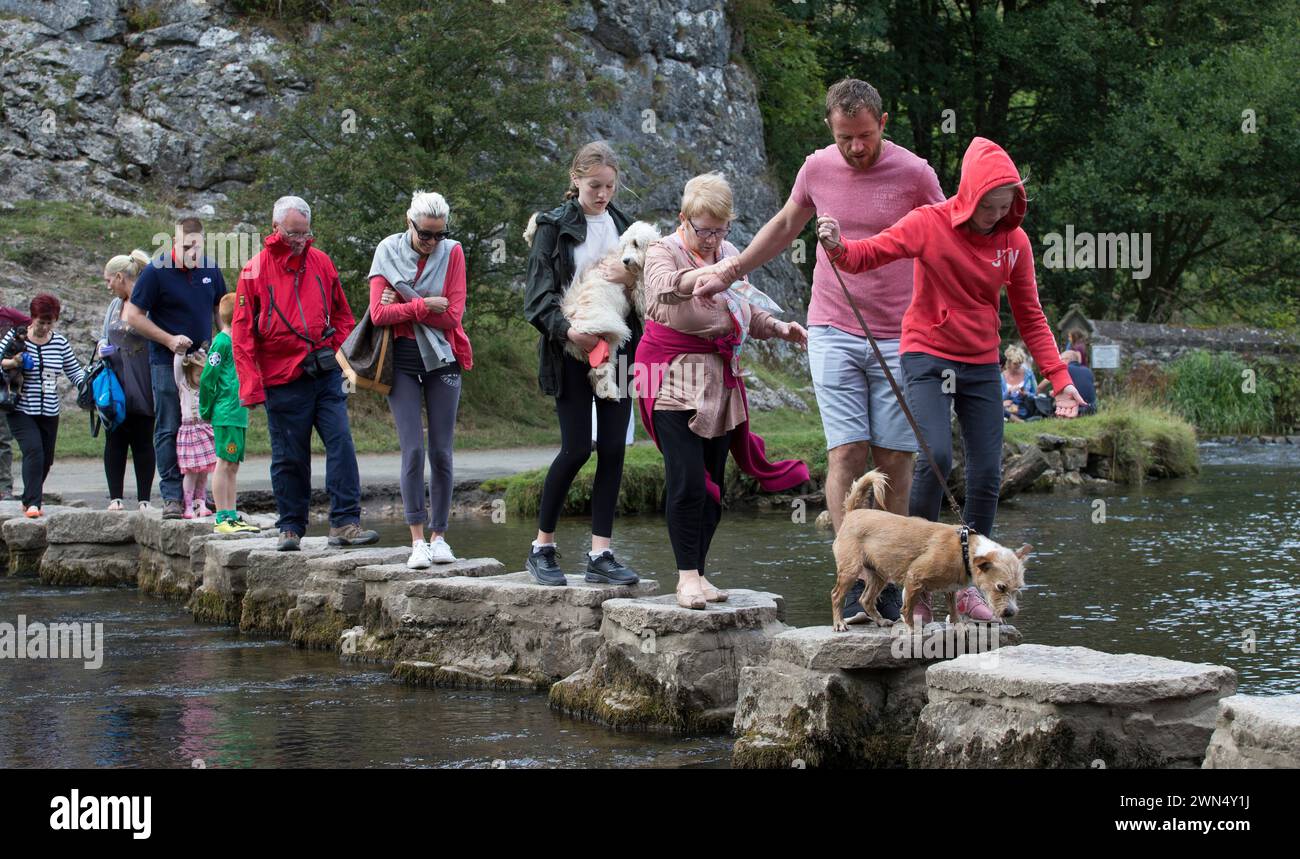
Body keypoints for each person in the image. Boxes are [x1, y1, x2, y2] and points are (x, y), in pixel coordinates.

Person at [698, 78, 945, 621]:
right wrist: (729, 271)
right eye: (843, 137)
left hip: (898, 333)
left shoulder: (915, 173)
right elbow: (787, 224)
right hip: (832, 326)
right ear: (831, 130)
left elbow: (947, 236)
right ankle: (853, 575)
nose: (854, 148)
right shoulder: (817, 168)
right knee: (845, 455)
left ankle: (894, 582)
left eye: (863, 136)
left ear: (882, 124)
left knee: (894, 461)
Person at [817, 137, 1089, 623]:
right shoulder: (930, 223)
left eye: (1006, 207)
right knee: (937, 457)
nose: (996, 215)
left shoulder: (1014, 242)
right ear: (968, 195)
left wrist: (1060, 378)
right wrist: (838, 246)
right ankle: (915, 585)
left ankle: (967, 585)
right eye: (988, 206)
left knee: (986, 473)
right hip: (927, 355)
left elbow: (1031, 316)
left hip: (981, 365)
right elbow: (869, 254)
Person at [637, 173, 810, 608]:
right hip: (667, 375)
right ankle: (685, 577)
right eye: (704, 229)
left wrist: (778, 328)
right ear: (684, 220)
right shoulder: (663, 250)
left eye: (721, 229)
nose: (713, 239)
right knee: (689, 480)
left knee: (715, 485)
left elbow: (743, 310)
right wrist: (700, 276)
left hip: (719, 378)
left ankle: (701, 572)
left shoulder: (730, 253)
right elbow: (659, 294)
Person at [522, 141, 642, 587]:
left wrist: (632, 277)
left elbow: (648, 285)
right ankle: (542, 548)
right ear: (575, 180)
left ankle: (600, 555)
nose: (603, 194)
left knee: (613, 450)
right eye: (595, 185)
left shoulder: (627, 227)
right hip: (569, 349)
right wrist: (569, 331)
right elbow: (536, 299)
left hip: (622, 351)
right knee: (577, 449)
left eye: (610, 186)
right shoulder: (553, 227)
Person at [231, 195, 378, 551]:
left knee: (341, 443)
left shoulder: (322, 263)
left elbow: (343, 315)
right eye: (293, 233)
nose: (299, 240)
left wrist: (342, 355)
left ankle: (345, 524)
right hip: (281, 381)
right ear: (275, 227)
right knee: (289, 456)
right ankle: (291, 528)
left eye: (305, 233)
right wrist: (251, 388)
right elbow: (242, 334)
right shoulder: (253, 271)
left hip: (325, 375)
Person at [368, 190, 474, 569]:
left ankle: (440, 536)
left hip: (444, 360)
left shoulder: (454, 253)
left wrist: (402, 305)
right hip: (402, 361)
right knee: (412, 450)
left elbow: (453, 317)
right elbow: (378, 316)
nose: (431, 243)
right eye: (425, 234)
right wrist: (424, 304)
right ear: (408, 222)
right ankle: (417, 541)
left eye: (438, 235)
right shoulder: (386, 250)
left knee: (441, 452)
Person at [123, 217, 226, 519]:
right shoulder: (156, 271)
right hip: (167, 361)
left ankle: (201, 498)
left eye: (197, 247)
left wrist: (224, 343)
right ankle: (172, 496)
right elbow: (133, 315)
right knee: (169, 425)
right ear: (173, 244)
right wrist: (168, 340)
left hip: (204, 361)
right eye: (186, 247)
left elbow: (220, 309)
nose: (192, 253)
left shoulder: (209, 268)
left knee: (205, 424)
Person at [0, 294, 86, 517]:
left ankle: (30, 496)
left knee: (46, 459)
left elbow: (74, 370)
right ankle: (33, 504)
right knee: (34, 451)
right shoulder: (16, 336)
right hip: (20, 407)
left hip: (49, 409)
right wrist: (15, 361)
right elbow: (0, 361)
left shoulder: (59, 342)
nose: (44, 327)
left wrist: (89, 385)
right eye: (41, 322)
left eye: (49, 323)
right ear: (32, 318)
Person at [101, 249, 157, 511]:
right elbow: (104, 335)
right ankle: (116, 497)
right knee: (115, 438)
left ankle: (144, 498)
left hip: (143, 378)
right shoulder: (114, 305)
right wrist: (103, 347)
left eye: (109, 280)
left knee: (143, 438)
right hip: (116, 381)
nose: (108, 285)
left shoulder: (148, 304)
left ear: (121, 277)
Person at [200, 293, 258, 533]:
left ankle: (232, 514)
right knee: (224, 463)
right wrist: (206, 408)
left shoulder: (238, 344)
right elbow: (207, 378)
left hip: (238, 413)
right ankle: (222, 517)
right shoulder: (222, 343)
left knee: (232, 464)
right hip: (225, 412)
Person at [175, 350, 215, 519]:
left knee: (204, 471)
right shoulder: (184, 386)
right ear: (190, 373)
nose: (201, 378)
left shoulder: (207, 388)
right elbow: (177, 370)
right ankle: (188, 504)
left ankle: (201, 502)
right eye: (198, 374)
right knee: (191, 472)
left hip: (205, 431)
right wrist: (180, 353)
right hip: (190, 433)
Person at [0, 300, 31, 501]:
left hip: (3, 384)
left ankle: (4, 487)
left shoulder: (8, 315)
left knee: (2, 438)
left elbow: (32, 325)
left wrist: (16, 356)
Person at [1000, 344, 1036, 422]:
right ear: (1008, 363)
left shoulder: (1028, 374)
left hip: (1025, 408)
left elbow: (1036, 395)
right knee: (999, 409)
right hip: (1007, 408)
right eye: (1015, 363)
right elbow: (997, 398)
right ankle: (1017, 421)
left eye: (1020, 363)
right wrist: (1008, 392)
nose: (1018, 366)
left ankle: (1018, 420)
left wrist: (1026, 394)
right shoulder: (1001, 377)